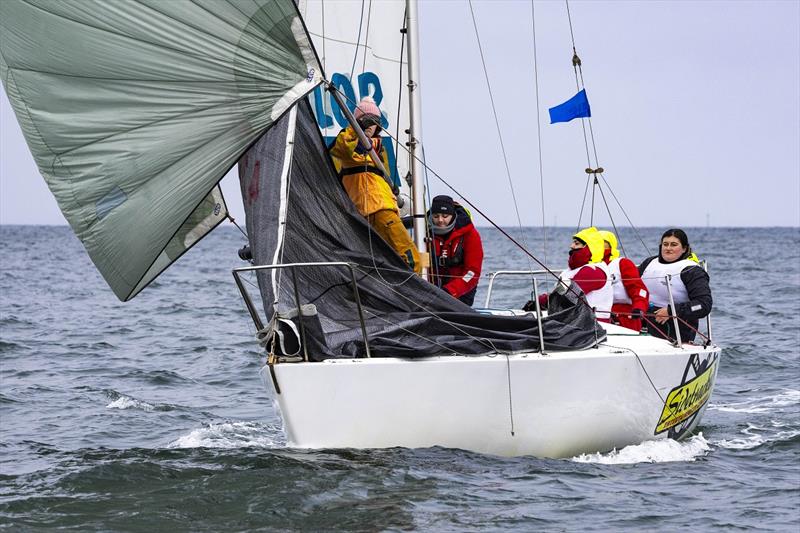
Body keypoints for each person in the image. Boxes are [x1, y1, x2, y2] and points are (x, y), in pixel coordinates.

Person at [329, 96, 421, 275]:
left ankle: (408, 296)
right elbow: (341, 148)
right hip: (361, 213)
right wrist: (357, 128)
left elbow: (383, 177)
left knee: (408, 257)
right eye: (366, 121)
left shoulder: (379, 148)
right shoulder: (347, 142)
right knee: (367, 263)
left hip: (382, 208)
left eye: (374, 122)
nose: (370, 125)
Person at [639, 228, 712, 343]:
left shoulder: (692, 270)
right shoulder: (649, 263)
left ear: (684, 248)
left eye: (673, 245)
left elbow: (703, 305)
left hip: (676, 330)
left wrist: (672, 311)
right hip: (643, 323)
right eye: (665, 244)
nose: (668, 248)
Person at [532, 227, 612, 322]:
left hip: (593, 324)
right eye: (573, 242)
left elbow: (569, 296)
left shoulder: (594, 271)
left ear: (590, 248)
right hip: (576, 321)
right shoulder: (574, 269)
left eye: (576, 243)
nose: (571, 246)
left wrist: (540, 301)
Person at [428, 195, 484, 305]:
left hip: (460, 293)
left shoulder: (470, 234)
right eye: (436, 216)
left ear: (453, 215)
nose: (440, 220)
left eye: (445, 216)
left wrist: (449, 291)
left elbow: (472, 273)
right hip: (429, 292)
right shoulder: (423, 232)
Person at [598, 230, 649, 331]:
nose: (596, 245)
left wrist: (639, 307)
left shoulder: (622, 263)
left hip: (625, 317)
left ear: (610, 245)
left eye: (600, 242)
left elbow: (638, 289)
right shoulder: (590, 266)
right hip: (598, 316)